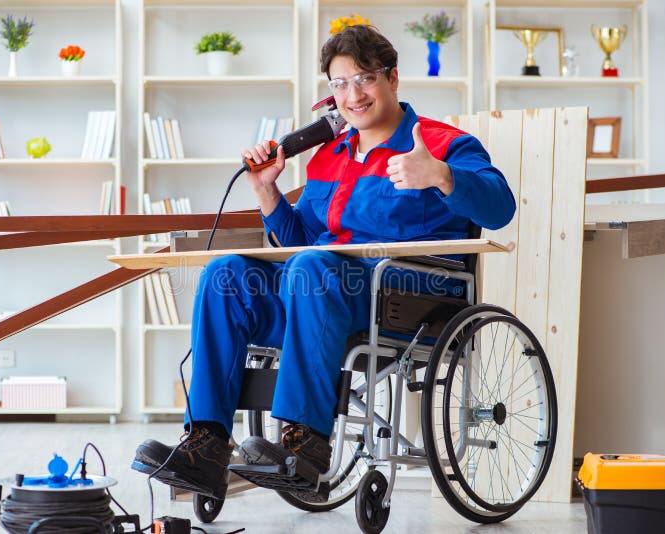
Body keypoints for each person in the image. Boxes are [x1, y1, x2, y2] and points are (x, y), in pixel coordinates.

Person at [133, 25, 516, 499]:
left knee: (310, 269)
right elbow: (303, 241)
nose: (352, 95)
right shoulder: (329, 158)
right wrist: (268, 192)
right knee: (225, 274)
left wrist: (439, 174)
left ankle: (306, 443)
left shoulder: (441, 143)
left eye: (364, 79)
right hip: (322, 291)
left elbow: (501, 208)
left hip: (406, 295)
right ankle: (206, 445)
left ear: (393, 78)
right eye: (339, 84)